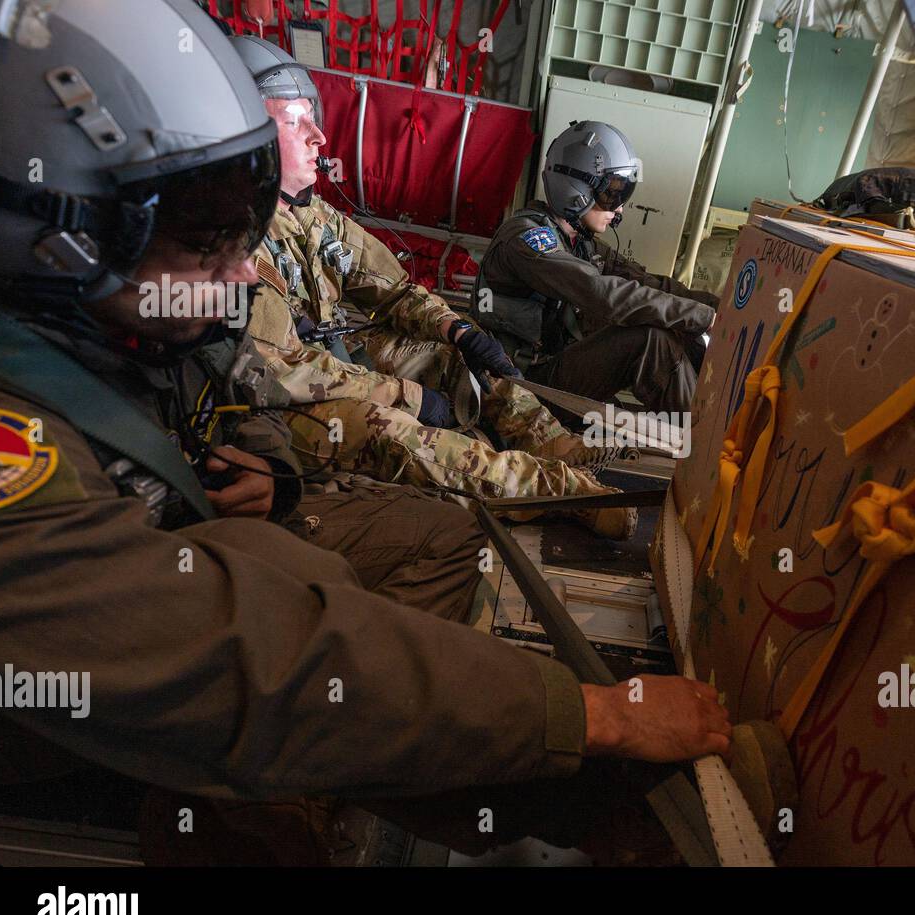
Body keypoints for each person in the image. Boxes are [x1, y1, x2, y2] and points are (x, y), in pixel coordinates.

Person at [0, 0, 729, 858]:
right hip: (80, 705)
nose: (245, 268)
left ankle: (551, 798)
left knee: (378, 556)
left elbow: (232, 391)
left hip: (199, 540)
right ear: (60, 239)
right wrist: (587, 715)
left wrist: (280, 470)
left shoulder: (110, 322)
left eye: (250, 219)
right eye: (206, 233)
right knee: (287, 598)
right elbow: (235, 659)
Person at [228, 36, 634, 538]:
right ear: (243, 138)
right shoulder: (232, 244)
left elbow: (394, 289)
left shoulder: (311, 216)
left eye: (313, 117)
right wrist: (406, 396)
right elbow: (282, 370)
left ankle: (551, 442)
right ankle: (554, 490)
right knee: (394, 431)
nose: (319, 138)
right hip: (282, 406)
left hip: (339, 354)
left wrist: (459, 332)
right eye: (295, 122)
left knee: (454, 362)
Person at [474, 120, 719, 414]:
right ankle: (705, 442)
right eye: (612, 194)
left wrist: (722, 311)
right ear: (576, 189)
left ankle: (715, 421)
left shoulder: (577, 240)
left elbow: (646, 282)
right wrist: (703, 318)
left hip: (552, 370)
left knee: (674, 325)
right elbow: (599, 292)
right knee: (650, 341)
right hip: (519, 383)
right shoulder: (526, 239)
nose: (619, 208)